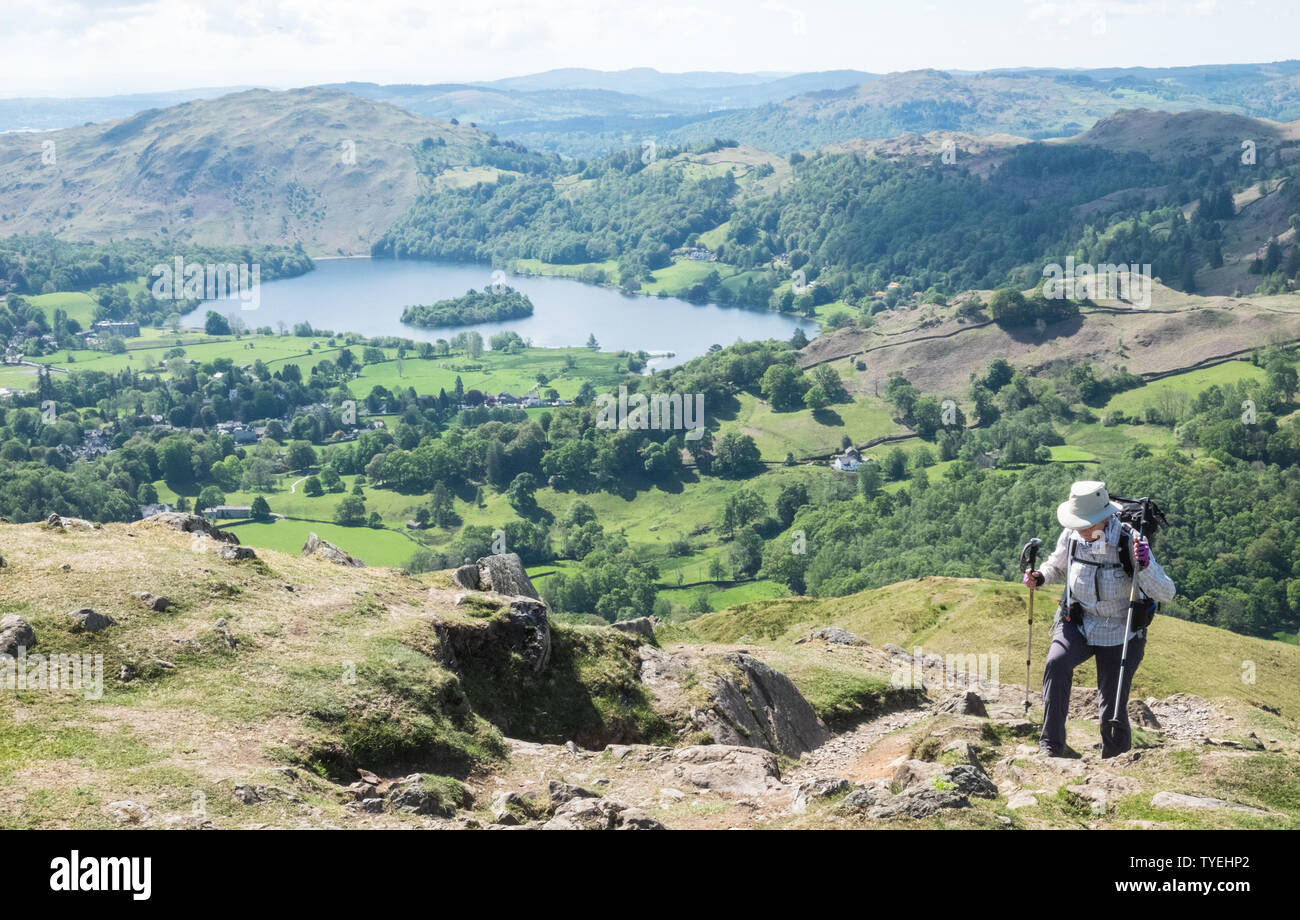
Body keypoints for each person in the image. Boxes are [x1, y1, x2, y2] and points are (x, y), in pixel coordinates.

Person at [1022, 481, 1175, 758]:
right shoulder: (1071, 535)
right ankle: (1051, 746)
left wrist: (1146, 565)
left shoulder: (1130, 542)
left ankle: (1116, 760)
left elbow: (1167, 592)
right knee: (1056, 665)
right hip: (1077, 622)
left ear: (1105, 518)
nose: (1080, 529)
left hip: (1120, 631)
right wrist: (1040, 577)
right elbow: (1056, 565)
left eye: (1086, 524)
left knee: (1111, 705)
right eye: (1077, 523)